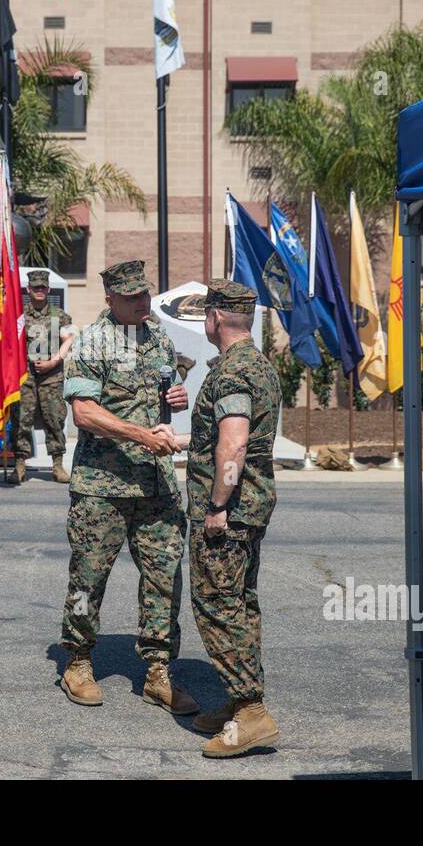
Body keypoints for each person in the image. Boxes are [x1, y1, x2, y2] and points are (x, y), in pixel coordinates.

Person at [56, 259, 197, 716]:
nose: (142, 302)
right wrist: (141, 435)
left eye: (145, 295)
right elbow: (85, 414)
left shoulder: (157, 336)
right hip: (104, 485)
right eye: (133, 296)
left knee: (163, 578)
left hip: (155, 485)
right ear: (110, 298)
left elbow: (165, 393)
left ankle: (158, 670)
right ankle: (77, 660)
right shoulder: (91, 341)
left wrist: (176, 398)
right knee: (89, 576)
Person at [173, 280, 281, 758]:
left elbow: (234, 446)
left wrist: (217, 506)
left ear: (216, 317)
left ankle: (252, 712)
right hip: (250, 507)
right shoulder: (257, 364)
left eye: (205, 314)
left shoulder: (233, 373)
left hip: (230, 512)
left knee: (217, 604)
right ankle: (241, 702)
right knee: (240, 603)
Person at [15, 269, 75, 484]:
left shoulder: (59, 316)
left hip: (51, 376)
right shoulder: (19, 315)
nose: (39, 291)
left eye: (43, 287)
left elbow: (69, 339)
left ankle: (57, 465)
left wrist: (54, 361)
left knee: (54, 420)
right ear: (28, 289)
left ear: (48, 289)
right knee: (22, 419)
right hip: (25, 377)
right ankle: (19, 464)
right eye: (35, 287)